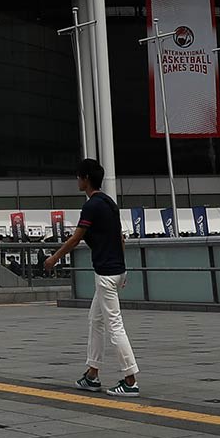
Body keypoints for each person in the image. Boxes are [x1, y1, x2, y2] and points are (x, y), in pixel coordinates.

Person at [43, 157, 140, 397]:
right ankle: (92, 374)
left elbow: (76, 238)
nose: (77, 180)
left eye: (78, 176)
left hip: (106, 274)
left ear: (85, 179)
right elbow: (120, 238)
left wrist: (53, 258)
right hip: (114, 271)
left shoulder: (91, 206)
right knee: (95, 320)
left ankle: (130, 380)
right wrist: (123, 268)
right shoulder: (109, 203)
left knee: (114, 325)